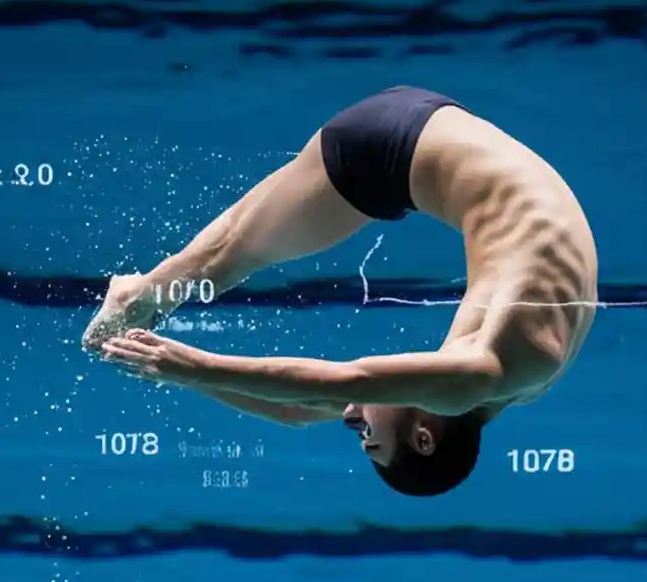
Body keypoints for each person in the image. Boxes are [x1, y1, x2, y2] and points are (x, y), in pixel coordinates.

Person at [83, 85, 598, 497]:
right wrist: (194, 366)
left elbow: (297, 410)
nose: (354, 417)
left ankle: (142, 299)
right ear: (424, 437)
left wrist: (175, 375)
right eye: (367, 437)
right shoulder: (478, 375)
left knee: (238, 242)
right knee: (224, 258)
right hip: (391, 148)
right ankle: (135, 297)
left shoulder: (505, 383)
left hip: (429, 133)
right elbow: (344, 382)